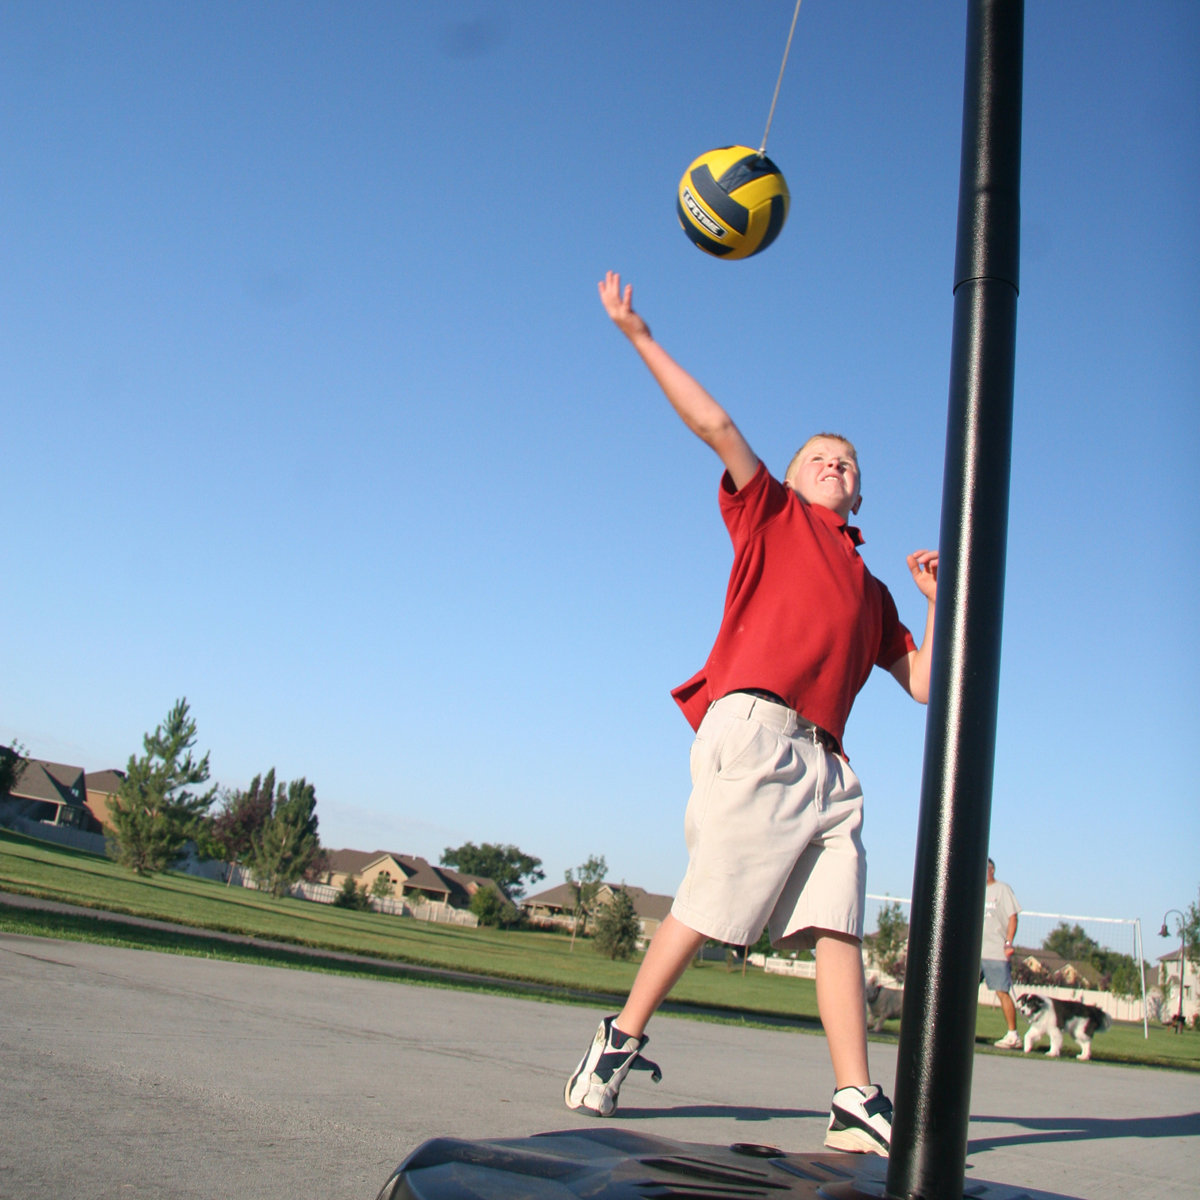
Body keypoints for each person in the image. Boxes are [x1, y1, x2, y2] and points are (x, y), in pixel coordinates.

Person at [564, 273, 939, 1156]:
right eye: (821, 457)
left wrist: (937, 600)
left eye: (848, 464)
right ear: (797, 476)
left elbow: (928, 685)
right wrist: (638, 335)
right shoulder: (770, 514)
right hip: (757, 732)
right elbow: (718, 427)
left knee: (838, 923)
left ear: (861, 495)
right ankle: (615, 1043)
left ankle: (855, 1099)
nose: (835, 466)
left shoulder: (876, 590)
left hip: (830, 764)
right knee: (712, 899)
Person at [981, 857, 1021, 1048]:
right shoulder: (974, 889)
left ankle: (1013, 1035)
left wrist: (1008, 942)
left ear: (992, 869)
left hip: (995, 950)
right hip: (975, 952)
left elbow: (1013, 917)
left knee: (1001, 991)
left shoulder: (1002, 890)